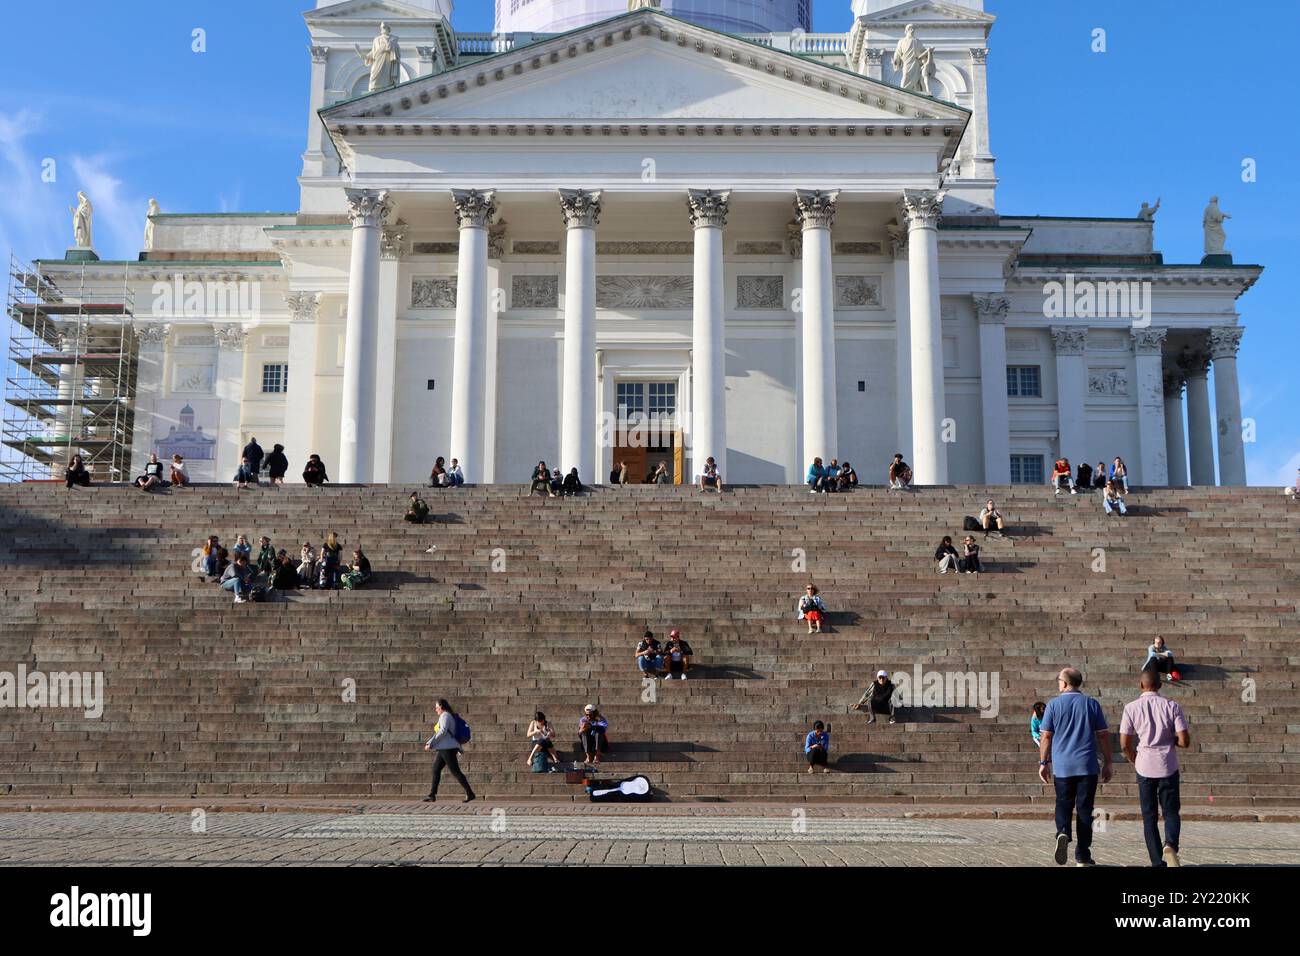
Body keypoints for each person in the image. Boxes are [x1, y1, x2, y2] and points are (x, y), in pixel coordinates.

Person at [1038, 666, 1112, 866]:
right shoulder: (1091, 704)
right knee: (1085, 809)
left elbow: (1045, 736)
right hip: (1087, 766)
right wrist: (1108, 762)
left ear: (1063, 683)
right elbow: (1103, 735)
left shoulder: (1053, 705)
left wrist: (1043, 762)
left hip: (1063, 767)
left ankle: (1063, 831)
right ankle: (1082, 855)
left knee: (1063, 803)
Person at [1120, 670, 1190, 867]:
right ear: (1160, 685)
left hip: (1144, 766)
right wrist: (1173, 741)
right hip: (1168, 765)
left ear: (1141, 685)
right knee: (1171, 811)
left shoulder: (1130, 708)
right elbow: (1184, 741)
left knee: (1149, 816)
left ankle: (1157, 862)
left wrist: (1135, 759)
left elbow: (1124, 744)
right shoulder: (1172, 706)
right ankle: (1170, 844)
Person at [422, 698, 476, 803]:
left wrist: (430, 743)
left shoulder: (445, 715)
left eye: (436, 707)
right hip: (444, 748)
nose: (435, 709)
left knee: (455, 771)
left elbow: (443, 731)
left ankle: (470, 793)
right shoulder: (446, 715)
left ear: (441, 707)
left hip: (447, 748)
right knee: (436, 769)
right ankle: (432, 794)